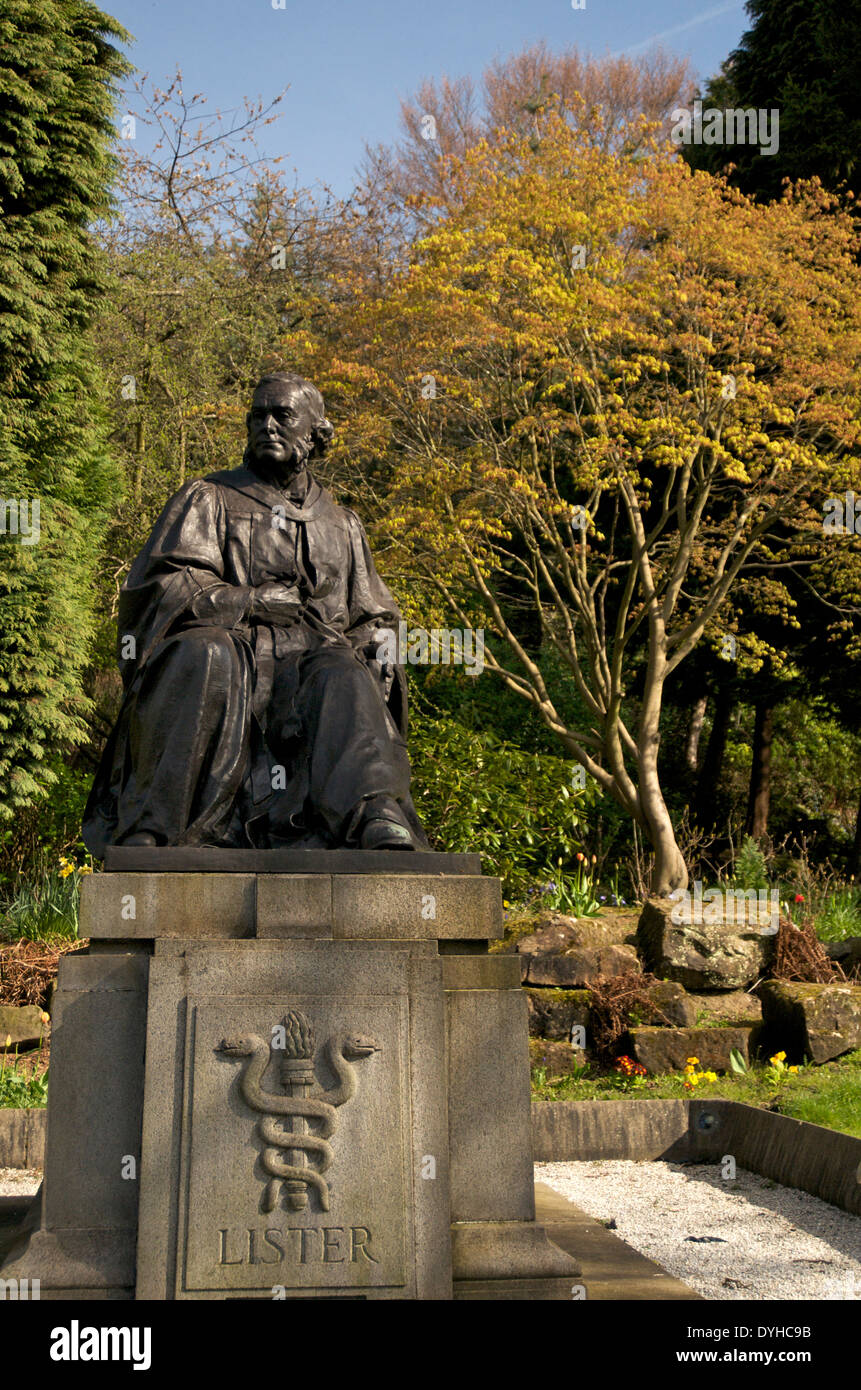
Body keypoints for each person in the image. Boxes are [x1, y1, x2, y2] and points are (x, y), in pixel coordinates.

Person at [82, 371, 428, 854]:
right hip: (231, 646)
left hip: (311, 661)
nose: (267, 425)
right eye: (257, 416)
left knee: (345, 673)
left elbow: (373, 612)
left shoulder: (342, 524)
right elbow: (163, 585)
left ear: (315, 430)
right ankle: (156, 823)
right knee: (205, 656)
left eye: (282, 415)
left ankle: (373, 814)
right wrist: (250, 602)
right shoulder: (209, 498)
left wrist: (376, 643)